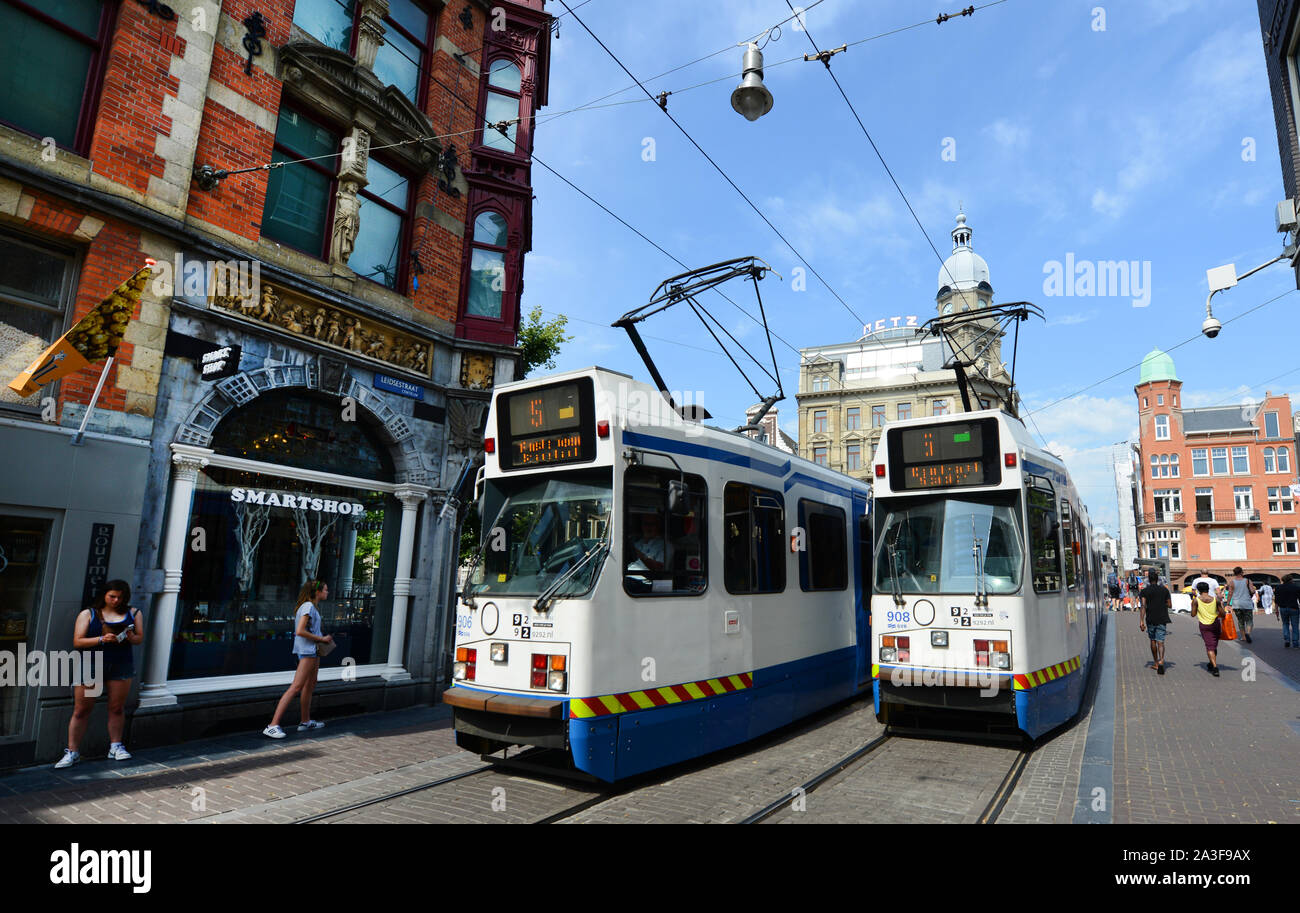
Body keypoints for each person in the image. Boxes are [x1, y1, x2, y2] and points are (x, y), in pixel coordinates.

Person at [56, 581, 144, 768]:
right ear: (104, 595)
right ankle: (72, 752)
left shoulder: (134, 613)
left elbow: (139, 639)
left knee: (117, 708)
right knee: (82, 710)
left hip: (121, 663)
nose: (116, 600)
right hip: (91, 664)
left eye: (120, 597)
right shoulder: (89, 614)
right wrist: (102, 639)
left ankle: (115, 746)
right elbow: (77, 642)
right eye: (112, 596)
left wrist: (130, 636)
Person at [263, 580, 333, 738]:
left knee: (310, 684)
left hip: (313, 651)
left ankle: (305, 721)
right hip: (308, 651)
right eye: (325, 590)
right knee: (296, 687)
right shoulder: (308, 606)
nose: (327, 592)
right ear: (317, 592)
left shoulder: (311, 606)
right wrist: (321, 639)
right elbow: (300, 631)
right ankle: (272, 725)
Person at [1139, 569, 1172, 674]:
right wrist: (1162, 604)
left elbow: (1143, 606)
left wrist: (1141, 621)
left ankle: (1156, 663)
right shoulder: (1164, 590)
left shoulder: (1144, 591)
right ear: (1157, 580)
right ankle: (1162, 660)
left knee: (1153, 640)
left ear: (1149, 580)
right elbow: (1170, 605)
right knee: (1160, 641)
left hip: (1150, 618)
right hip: (1162, 618)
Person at [1192, 580, 1225, 676]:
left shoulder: (1196, 600)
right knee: (1214, 645)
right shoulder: (1215, 599)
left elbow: (1193, 614)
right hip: (1215, 624)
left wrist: (1196, 608)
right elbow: (1223, 614)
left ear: (1198, 590)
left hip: (1204, 625)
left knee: (1210, 646)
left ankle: (1215, 667)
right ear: (1208, 589)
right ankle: (1211, 663)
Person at [1226, 566, 1256, 644]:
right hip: (1247, 603)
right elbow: (1252, 591)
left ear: (1234, 573)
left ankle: (1243, 637)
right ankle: (1248, 633)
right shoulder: (1248, 581)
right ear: (1242, 572)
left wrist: (1228, 603)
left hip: (1236, 604)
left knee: (1240, 620)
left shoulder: (1232, 582)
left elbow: (1230, 593)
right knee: (1249, 620)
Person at [1274, 573, 1300, 648]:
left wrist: (1276, 610)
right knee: (1295, 625)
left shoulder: (1278, 588)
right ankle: (1295, 642)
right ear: (1291, 580)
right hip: (1294, 608)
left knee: (1285, 624)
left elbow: (1276, 600)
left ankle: (1287, 640)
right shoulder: (1296, 587)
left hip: (1283, 608)